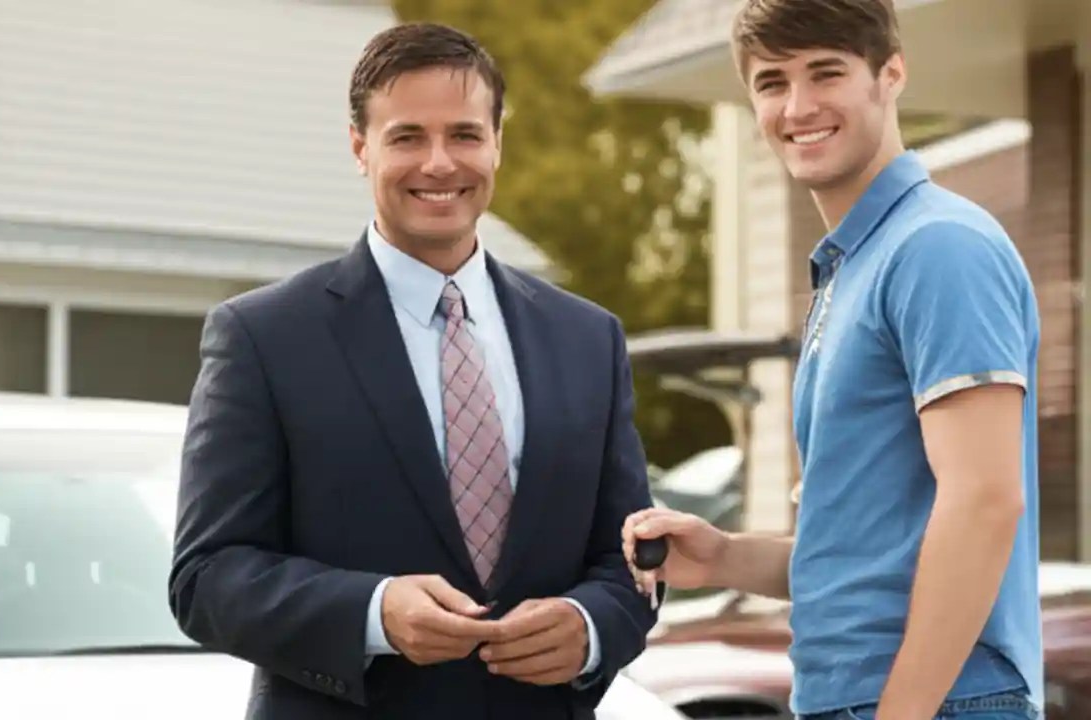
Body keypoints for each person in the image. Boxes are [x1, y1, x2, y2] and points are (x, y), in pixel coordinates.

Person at [168, 21, 657, 720]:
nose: (438, 163)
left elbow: (631, 562)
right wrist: (372, 611)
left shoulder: (587, 338)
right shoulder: (263, 337)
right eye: (406, 137)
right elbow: (206, 577)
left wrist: (589, 629)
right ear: (360, 148)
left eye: (463, 134)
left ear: (497, 144)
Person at [623, 1, 1044, 719]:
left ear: (891, 74)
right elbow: (868, 555)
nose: (799, 106)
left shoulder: (938, 247)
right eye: (772, 82)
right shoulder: (855, 267)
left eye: (826, 73)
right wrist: (724, 556)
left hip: (942, 701)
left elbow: (984, 502)